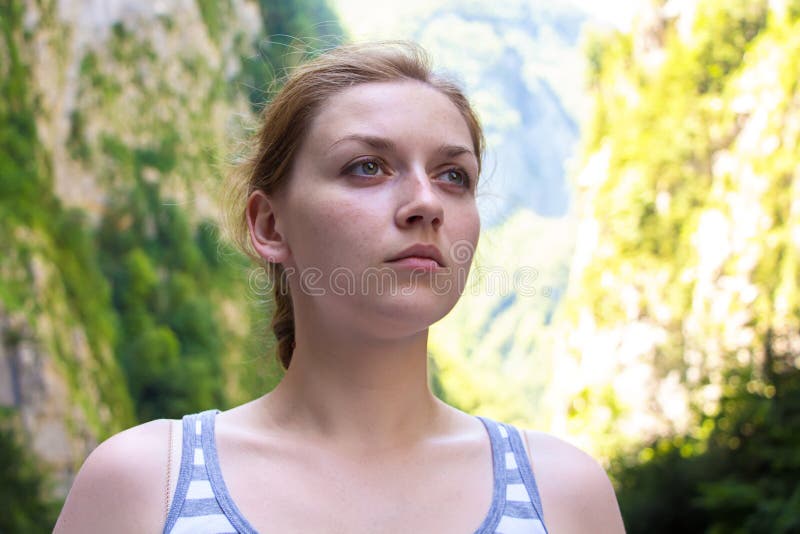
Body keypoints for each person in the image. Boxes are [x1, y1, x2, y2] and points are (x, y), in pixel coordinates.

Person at [54, 41, 625, 534]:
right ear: (269, 225)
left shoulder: (565, 494)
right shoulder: (145, 485)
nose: (427, 202)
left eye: (455, 176)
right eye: (367, 167)